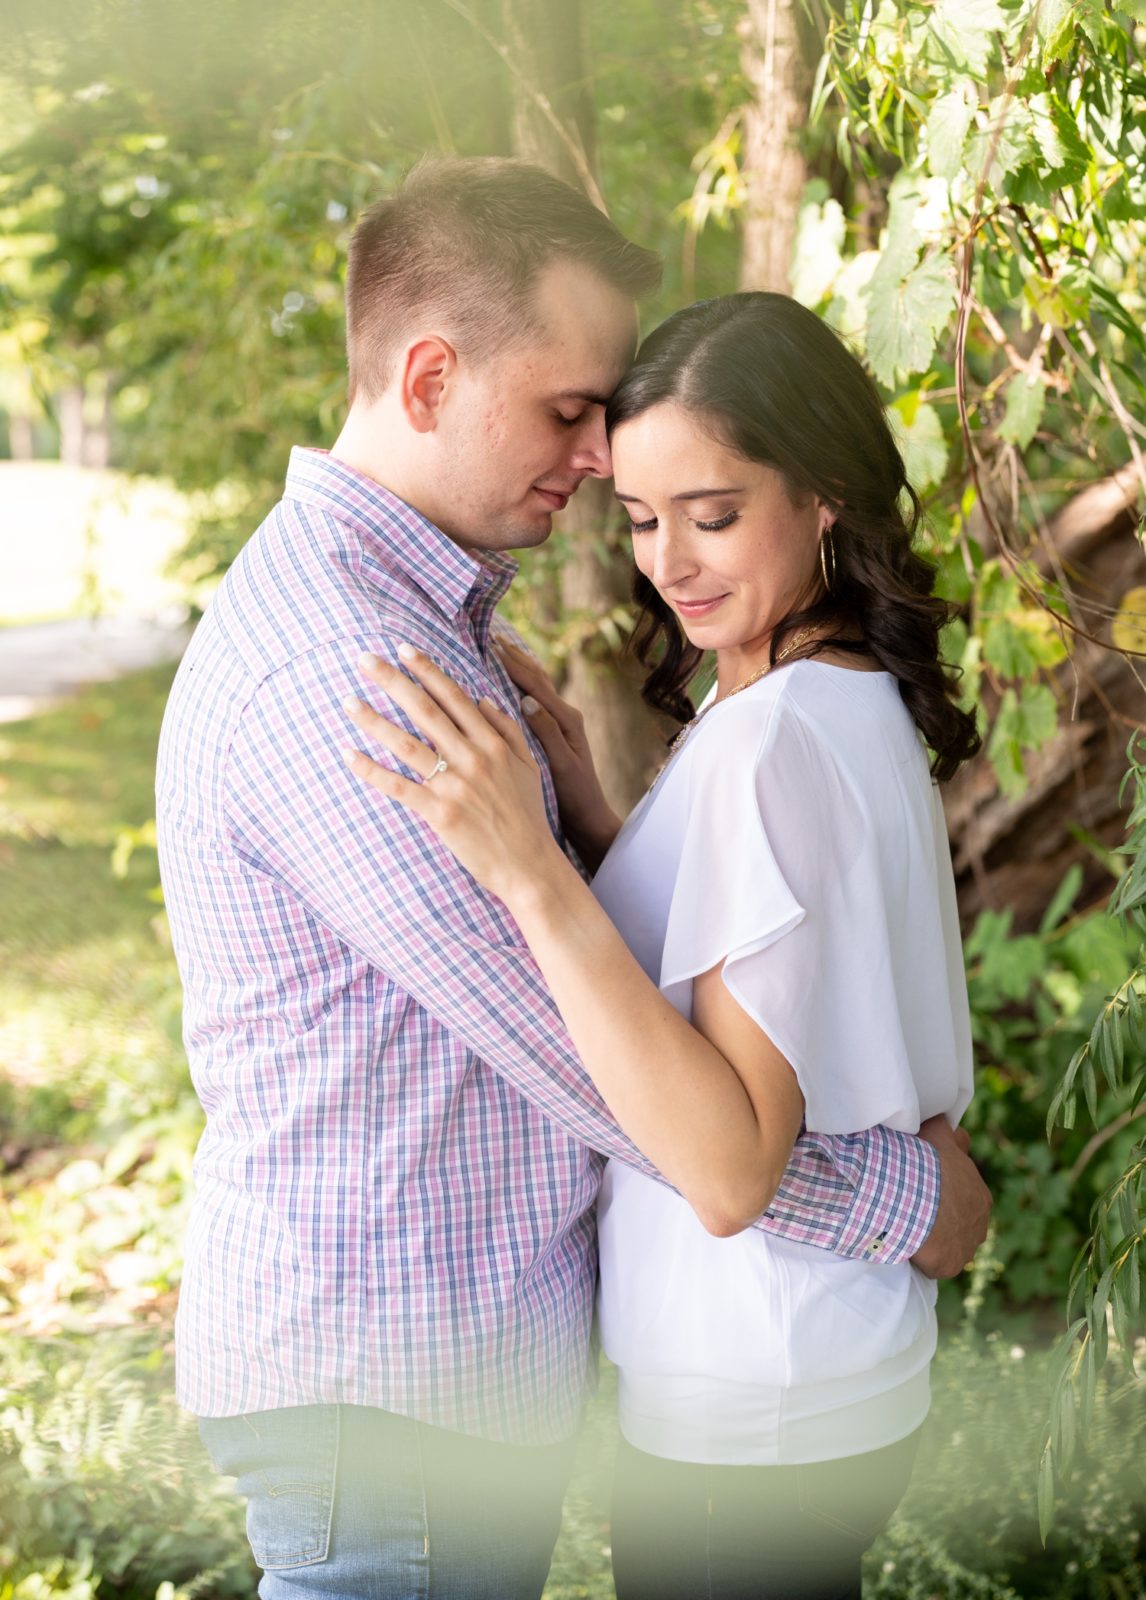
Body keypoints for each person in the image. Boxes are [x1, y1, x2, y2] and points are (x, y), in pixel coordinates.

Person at [156, 154, 990, 1600]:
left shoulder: (448, 639)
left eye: (701, 504)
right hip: (397, 1407)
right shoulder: (355, 680)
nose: (602, 458)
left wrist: (594, 839)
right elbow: (629, 1087)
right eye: (569, 410)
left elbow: (643, 992)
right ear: (429, 378)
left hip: (466, 1402)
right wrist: (917, 1204)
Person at [340, 290, 984, 1600]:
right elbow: (779, 970)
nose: (671, 562)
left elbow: (732, 1165)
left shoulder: (765, 743)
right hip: (823, 1378)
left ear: (822, 495)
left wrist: (534, 874)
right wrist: (604, 826)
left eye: (713, 514)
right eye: (641, 519)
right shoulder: (837, 700)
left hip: (751, 1419)